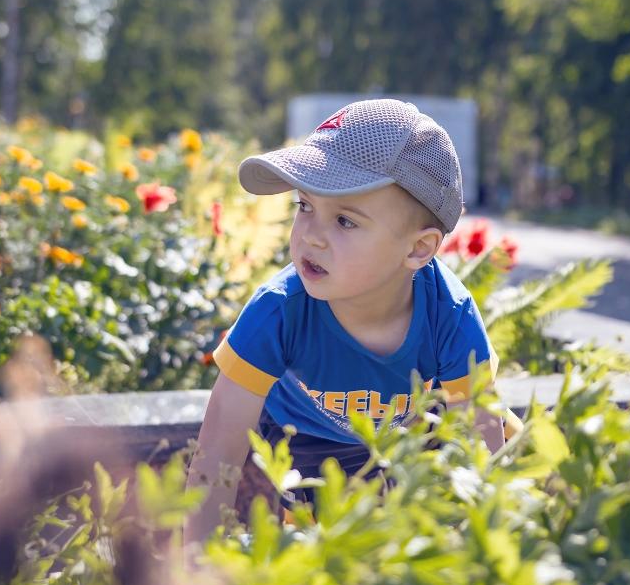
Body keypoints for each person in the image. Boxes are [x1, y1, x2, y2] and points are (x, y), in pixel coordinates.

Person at [184, 99, 512, 542]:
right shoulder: (279, 310)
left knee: (509, 437)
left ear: (418, 249)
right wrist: (196, 562)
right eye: (304, 207)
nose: (311, 236)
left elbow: (482, 442)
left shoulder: (449, 314)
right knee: (294, 548)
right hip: (301, 438)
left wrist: (489, 550)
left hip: (405, 435)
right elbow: (220, 443)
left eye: (344, 220)